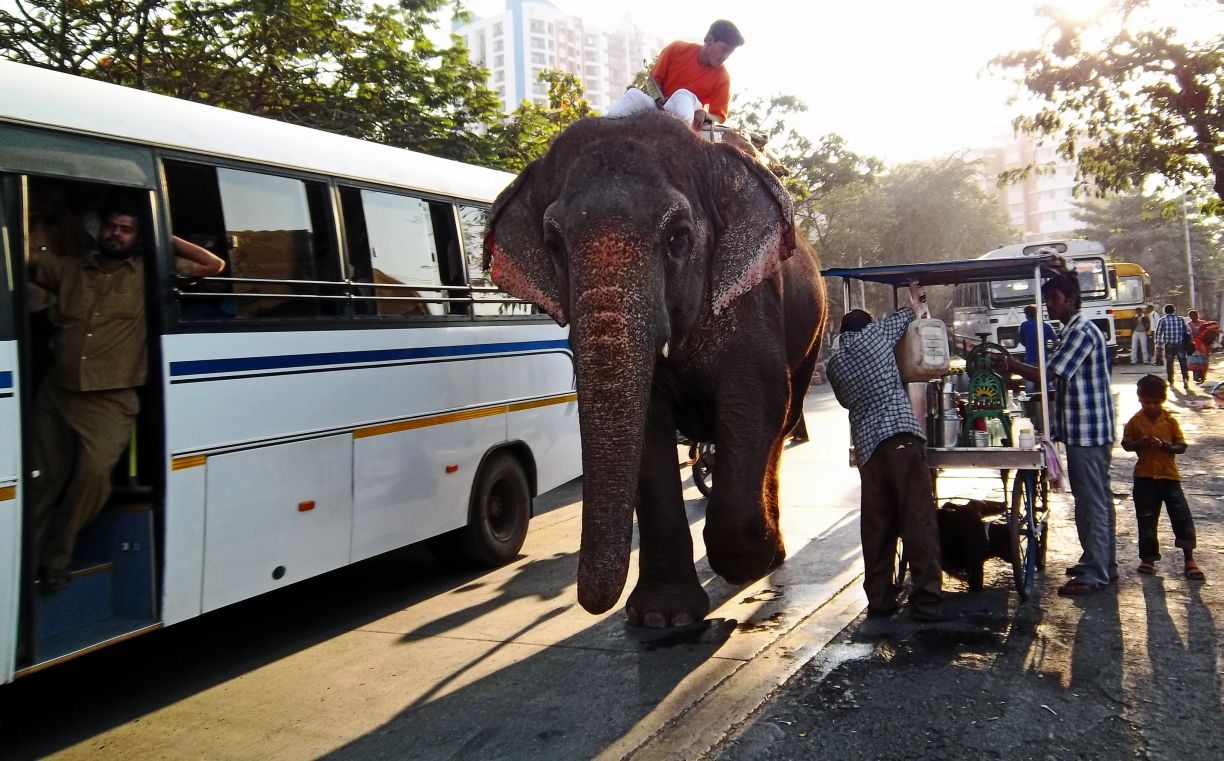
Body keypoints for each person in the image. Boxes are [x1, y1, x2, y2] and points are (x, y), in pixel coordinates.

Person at [28, 199, 224, 591]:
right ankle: (25, 562)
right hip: (57, 392)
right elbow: (24, 258)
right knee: (41, 481)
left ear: (138, 237)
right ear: (99, 230)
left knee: (93, 476)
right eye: (111, 226)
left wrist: (160, 231)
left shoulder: (149, 273)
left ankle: (56, 556)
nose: (115, 233)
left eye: (126, 229)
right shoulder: (69, 270)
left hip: (110, 397)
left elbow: (211, 265)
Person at [825, 287, 947, 622]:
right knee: (917, 519)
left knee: (876, 527)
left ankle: (880, 600)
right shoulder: (876, 335)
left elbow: (847, 403)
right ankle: (927, 602)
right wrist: (916, 298)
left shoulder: (834, 364)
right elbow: (908, 316)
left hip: (868, 451)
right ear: (866, 326)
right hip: (901, 439)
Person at [1006, 265, 1116, 596]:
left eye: (1053, 300)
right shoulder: (1073, 330)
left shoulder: (1080, 332)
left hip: (1089, 431)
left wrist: (1012, 366)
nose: (1049, 307)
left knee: (1091, 501)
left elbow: (1052, 374)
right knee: (1096, 499)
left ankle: (1096, 573)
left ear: (1070, 298)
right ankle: (1099, 562)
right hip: (1085, 429)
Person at [1121, 374, 1205, 581]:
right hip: (1144, 477)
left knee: (1181, 517)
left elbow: (1181, 446)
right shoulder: (1134, 421)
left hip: (1169, 476)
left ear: (1163, 400)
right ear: (1140, 399)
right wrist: (1141, 443)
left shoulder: (1170, 421)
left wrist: (1168, 447)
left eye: (1156, 403)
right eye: (1147, 402)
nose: (1151, 406)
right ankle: (1148, 558)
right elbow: (1126, 444)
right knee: (1147, 518)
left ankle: (1189, 559)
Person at [605, 20, 744, 130]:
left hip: (690, 112)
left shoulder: (723, 77)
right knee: (633, 94)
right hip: (662, 107)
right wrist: (659, 100)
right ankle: (603, 130)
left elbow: (720, 117)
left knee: (682, 95)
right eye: (724, 50)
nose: (725, 56)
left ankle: (680, 137)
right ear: (709, 40)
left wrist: (704, 114)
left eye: (729, 53)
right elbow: (653, 81)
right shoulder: (676, 49)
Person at [1017, 303, 1057, 390]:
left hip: (1030, 360)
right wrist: (1051, 350)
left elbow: (1021, 340)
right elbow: (1057, 341)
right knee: (1049, 386)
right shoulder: (1046, 326)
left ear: (1027, 314)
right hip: (1044, 360)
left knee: (1029, 388)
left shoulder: (1024, 326)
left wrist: (1028, 345)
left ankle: (1031, 402)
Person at [1153, 303, 1190, 389]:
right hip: (1180, 345)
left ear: (1164, 311)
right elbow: (1186, 331)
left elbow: (1158, 334)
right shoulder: (1180, 319)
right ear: (1174, 310)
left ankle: (1171, 382)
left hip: (1169, 345)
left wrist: (1158, 346)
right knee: (1183, 363)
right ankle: (1185, 379)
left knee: (1169, 364)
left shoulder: (1162, 320)